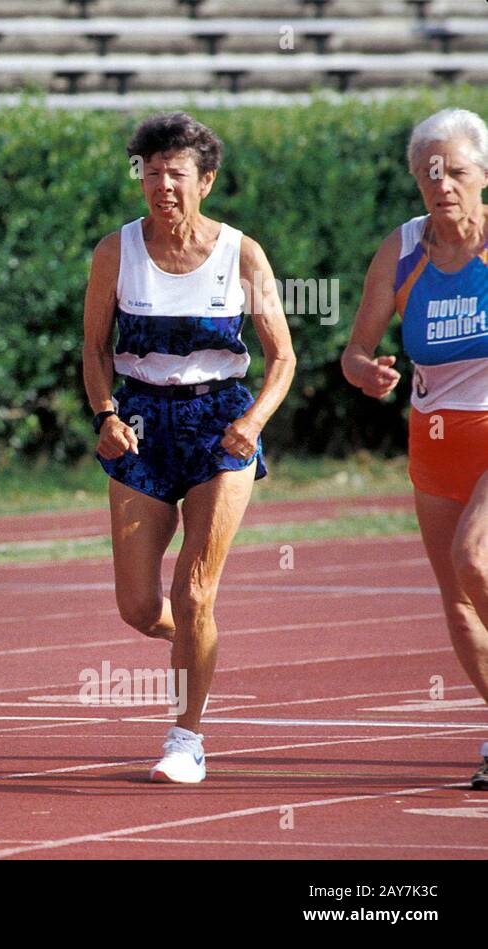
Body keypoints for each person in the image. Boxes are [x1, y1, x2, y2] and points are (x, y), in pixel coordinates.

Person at [82, 112, 296, 784]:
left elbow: (282, 355)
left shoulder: (243, 253)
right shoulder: (115, 252)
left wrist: (255, 420)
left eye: (176, 172)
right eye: (151, 172)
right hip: (141, 420)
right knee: (141, 607)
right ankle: (198, 647)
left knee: (196, 590)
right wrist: (105, 412)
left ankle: (185, 736)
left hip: (220, 420)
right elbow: (92, 348)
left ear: (206, 179)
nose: (162, 184)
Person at [342, 107, 488, 791]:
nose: (444, 185)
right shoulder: (401, 251)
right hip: (432, 439)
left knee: (474, 559)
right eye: (431, 173)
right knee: (456, 597)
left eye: (457, 170)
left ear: (482, 175)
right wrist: (365, 370)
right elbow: (354, 349)